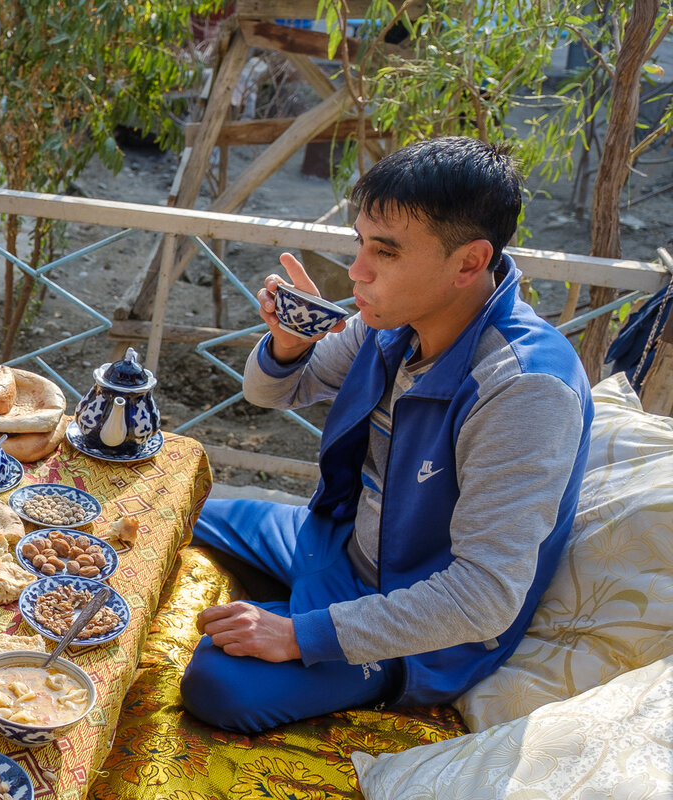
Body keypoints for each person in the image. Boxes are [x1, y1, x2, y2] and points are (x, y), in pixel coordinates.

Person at [180, 137, 594, 733]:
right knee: (176, 505)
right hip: (338, 541)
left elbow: (484, 597)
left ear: (470, 263)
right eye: (360, 244)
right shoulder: (392, 322)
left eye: (387, 252)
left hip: (421, 619)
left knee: (218, 684)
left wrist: (298, 635)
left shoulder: (523, 388)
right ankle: (297, 598)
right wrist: (289, 344)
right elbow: (269, 393)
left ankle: (304, 621)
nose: (358, 271)